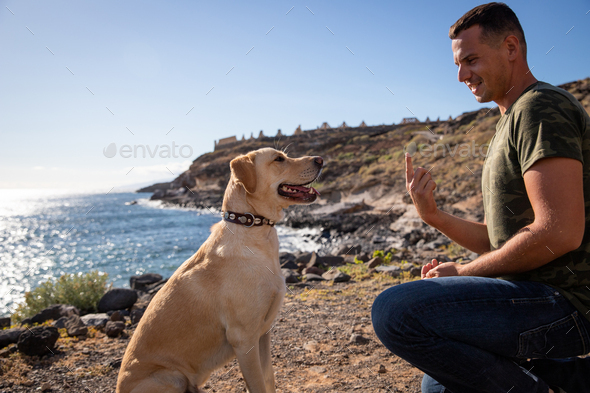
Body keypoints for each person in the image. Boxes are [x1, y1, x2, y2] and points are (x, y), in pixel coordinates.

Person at [371, 3, 590, 393]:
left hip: (569, 304)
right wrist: (434, 216)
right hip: (532, 297)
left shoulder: (539, 107)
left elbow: (560, 232)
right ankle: (564, 377)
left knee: (394, 312)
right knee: (438, 384)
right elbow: (501, 239)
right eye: (457, 64)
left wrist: (465, 273)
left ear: (510, 47)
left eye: (470, 60)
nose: (461, 75)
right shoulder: (509, 120)